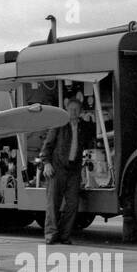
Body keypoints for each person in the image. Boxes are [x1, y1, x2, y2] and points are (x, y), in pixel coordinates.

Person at [39, 96, 94, 244]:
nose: (73, 112)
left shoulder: (83, 127)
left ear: (80, 111)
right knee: (53, 203)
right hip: (57, 168)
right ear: (66, 110)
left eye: (76, 110)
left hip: (74, 170)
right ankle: (50, 235)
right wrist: (46, 163)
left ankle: (64, 235)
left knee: (72, 204)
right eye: (70, 109)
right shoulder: (59, 124)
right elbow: (47, 146)